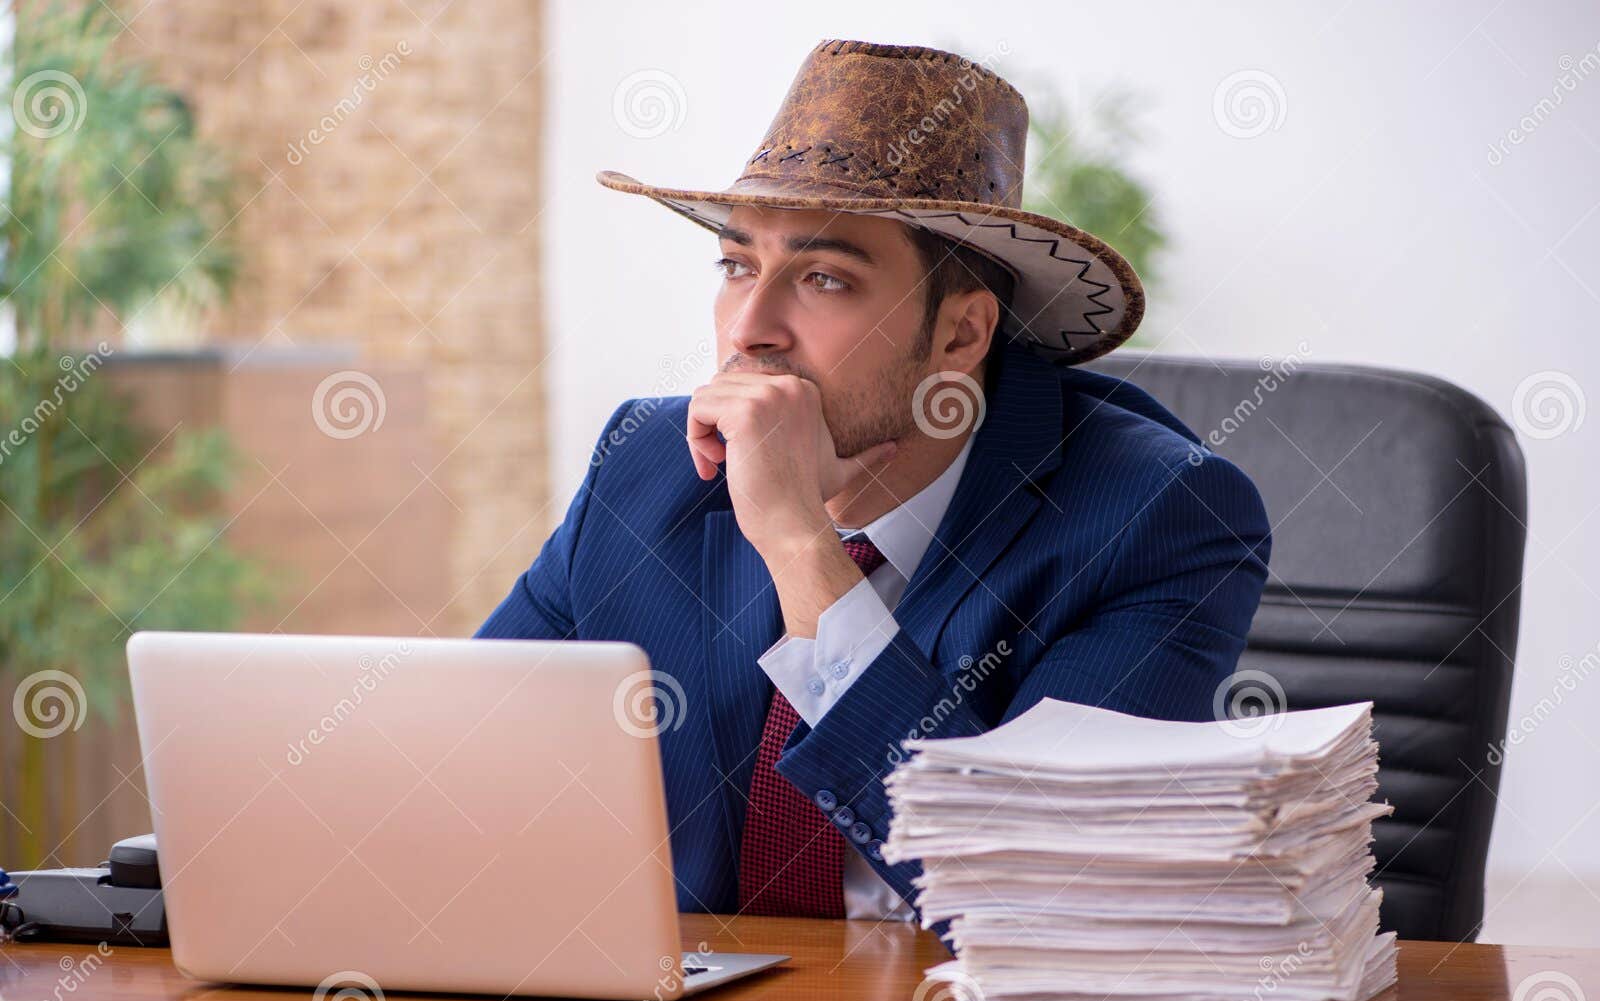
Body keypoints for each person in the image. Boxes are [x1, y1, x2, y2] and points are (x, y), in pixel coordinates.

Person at [477, 39, 1271, 926]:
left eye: (823, 278)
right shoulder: (650, 465)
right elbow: (457, 765)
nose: (750, 328)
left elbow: (1027, 895)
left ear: (962, 337)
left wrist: (800, 549)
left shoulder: (1160, 520)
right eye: (737, 265)